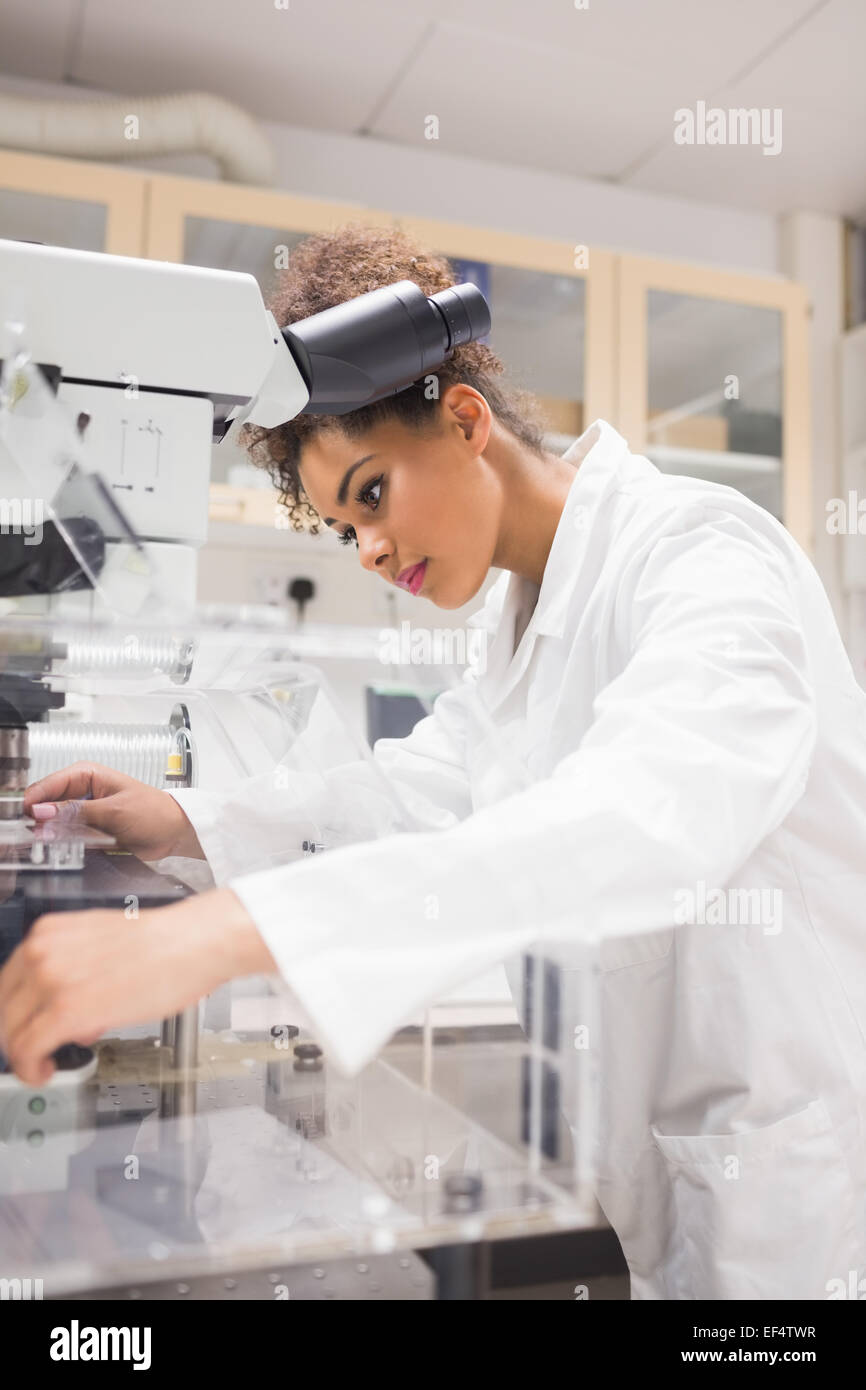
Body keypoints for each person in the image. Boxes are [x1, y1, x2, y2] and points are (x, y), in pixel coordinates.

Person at [1, 224, 865, 1300]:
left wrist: (220, 934)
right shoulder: (514, 623)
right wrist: (189, 820)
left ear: (462, 418)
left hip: (795, 1195)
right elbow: (411, 793)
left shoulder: (698, 553)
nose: (366, 549)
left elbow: (640, 816)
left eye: (368, 495)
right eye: (339, 528)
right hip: (681, 1188)